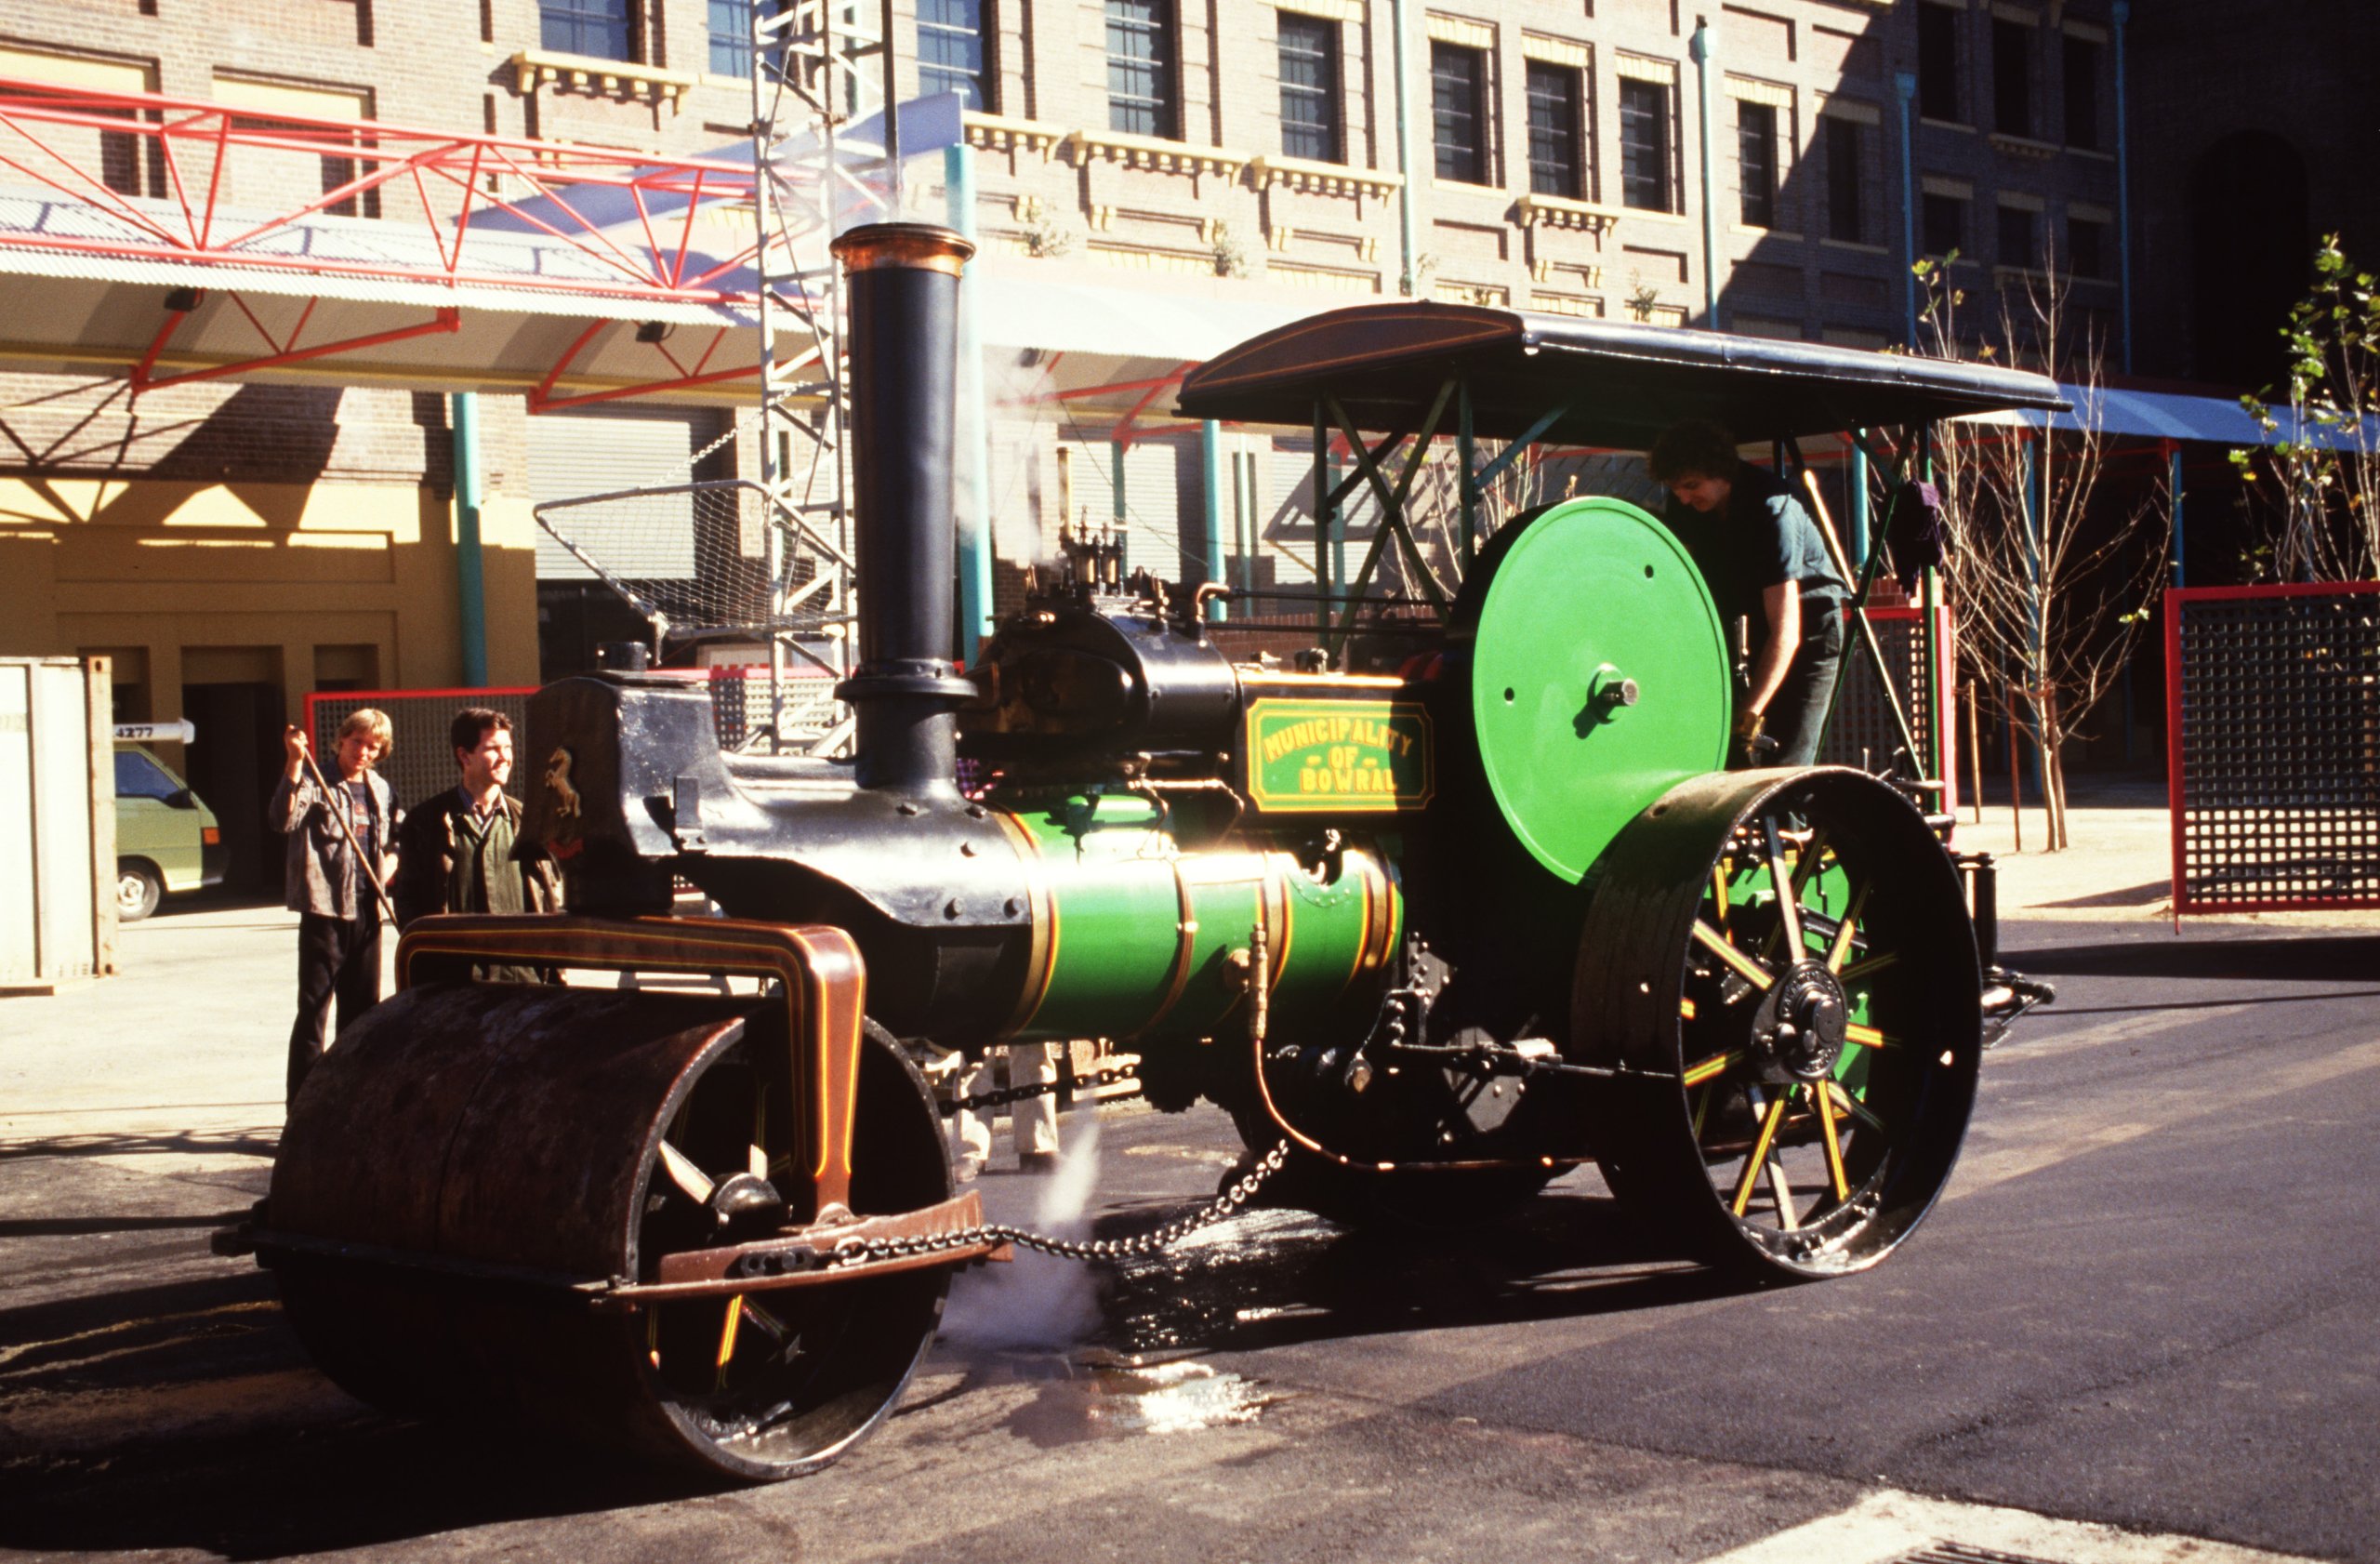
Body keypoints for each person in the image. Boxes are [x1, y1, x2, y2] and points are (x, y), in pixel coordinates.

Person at [1646, 418, 1851, 768]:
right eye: (1675, 488)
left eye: (1691, 485)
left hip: (1810, 625)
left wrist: (1749, 715)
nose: (1682, 496)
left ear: (1720, 471)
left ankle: (1792, 817)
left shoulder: (1773, 509)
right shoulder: (1688, 506)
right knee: (1730, 753)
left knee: (1785, 758)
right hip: (1752, 611)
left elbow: (1786, 634)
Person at [271, 709, 399, 1105]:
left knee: (363, 1016)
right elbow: (283, 819)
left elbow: (396, 840)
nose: (363, 751)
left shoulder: (380, 788)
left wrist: (389, 867)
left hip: (366, 911)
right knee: (314, 1013)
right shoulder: (314, 778)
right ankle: (302, 1109)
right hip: (324, 911)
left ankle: (352, 1101)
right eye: (356, 742)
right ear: (342, 739)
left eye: (372, 746)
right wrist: (293, 761)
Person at [392, 709, 562, 965]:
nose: (505, 758)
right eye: (493, 748)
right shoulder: (425, 822)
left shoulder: (528, 820)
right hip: (454, 979)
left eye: (508, 747)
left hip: (522, 977)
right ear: (464, 755)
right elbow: (409, 902)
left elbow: (550, 895)